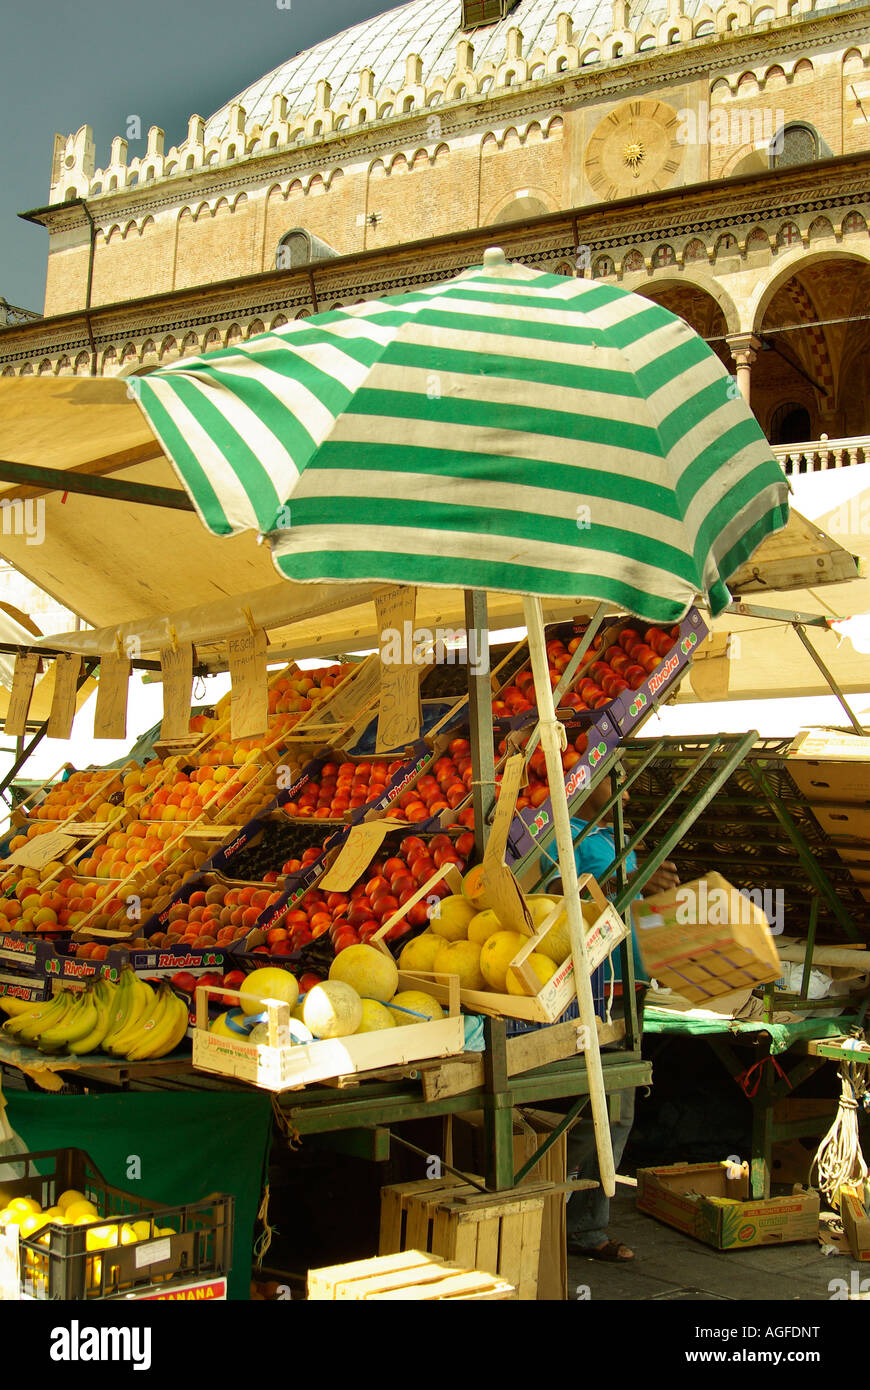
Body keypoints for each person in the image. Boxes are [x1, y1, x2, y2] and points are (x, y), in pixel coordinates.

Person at [539, 773, 679, 1262]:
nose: (619, 783)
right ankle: (543, 1198)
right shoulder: (553, 829)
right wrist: (622, 876)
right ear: (580, 778)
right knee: (605, 1110)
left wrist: (656, 890)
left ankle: (577, 1221)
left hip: (627, 987)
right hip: (584, 991)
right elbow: (551, 890)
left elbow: (627, 903)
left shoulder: (614, 832)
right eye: (607, 773)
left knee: (617, 1111)